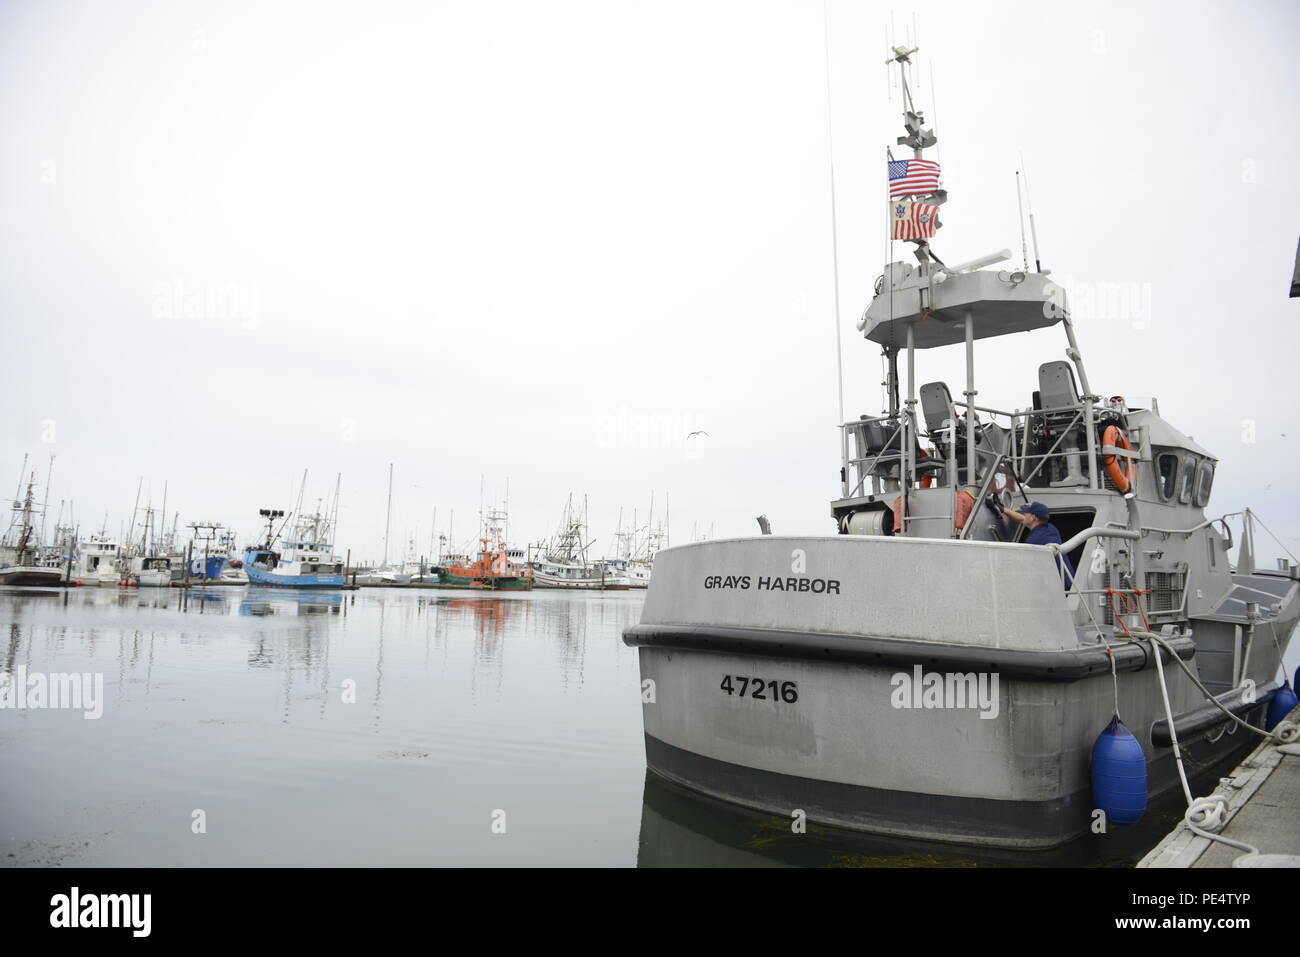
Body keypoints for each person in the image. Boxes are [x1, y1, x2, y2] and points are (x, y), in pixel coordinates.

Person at [1002, 501, 1075, 589]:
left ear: (1033, 518)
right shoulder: (1050, 528)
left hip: (1061, 587)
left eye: (1026, 513)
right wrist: (1003, 509)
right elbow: (1022, 518)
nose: (1024, 514)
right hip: (1070, 581)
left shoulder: (1034, 540)